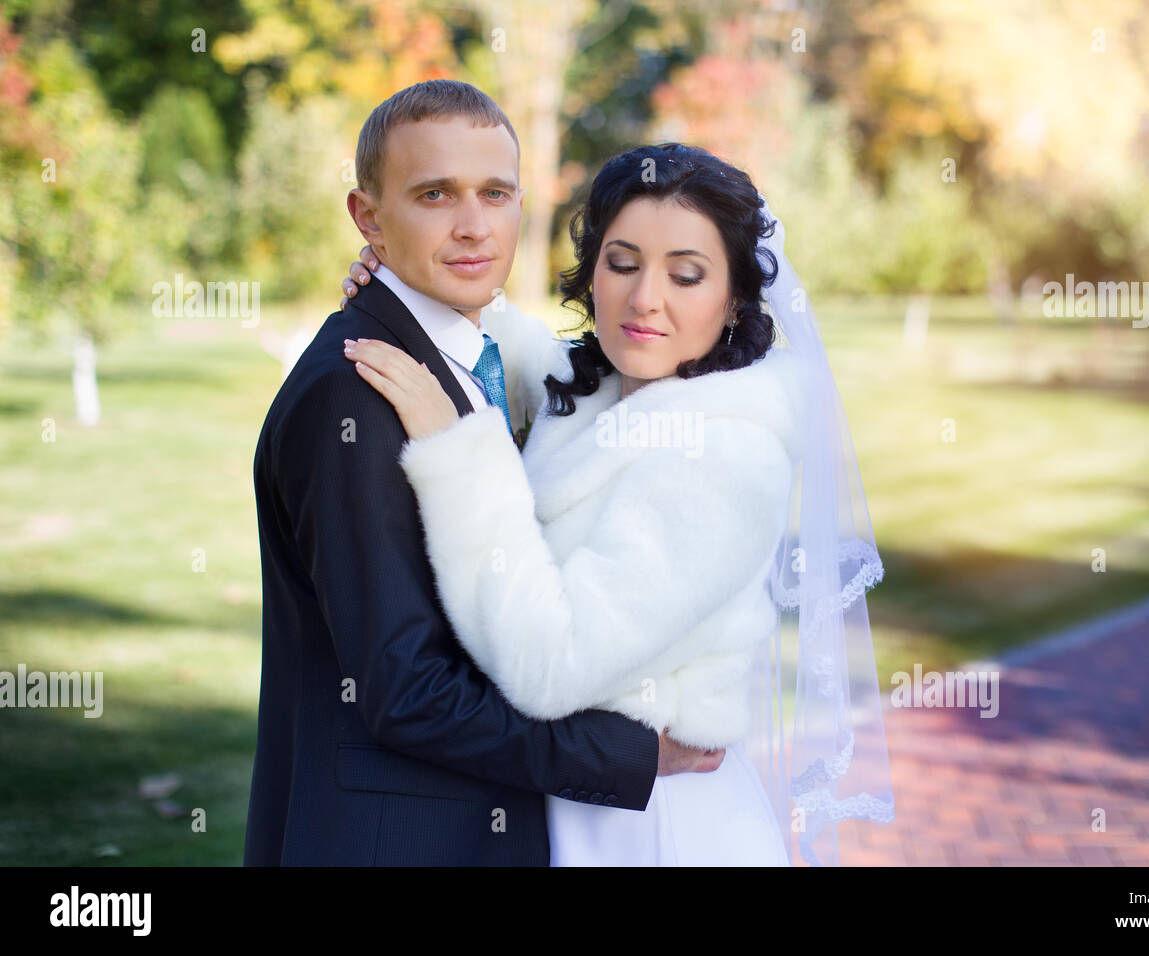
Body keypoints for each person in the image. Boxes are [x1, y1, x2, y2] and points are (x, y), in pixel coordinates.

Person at [341, 141, 894, 865]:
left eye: (686, 275)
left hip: (654, 825)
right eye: (623, 263)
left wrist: (456, 453)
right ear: (592, 271)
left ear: (733, 301)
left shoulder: (725, 459)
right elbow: (523, 353)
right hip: (578, 799)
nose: (645, 300)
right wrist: (407, 287)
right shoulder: (601, 388)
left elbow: (550, 666)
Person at [243, 80, 721, 868]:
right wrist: (631, 752)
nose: (472, 227)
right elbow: (406, 690)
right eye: (434, 195)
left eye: (494, 194)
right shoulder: (354, 394)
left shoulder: (482, 359)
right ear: (369, 218)